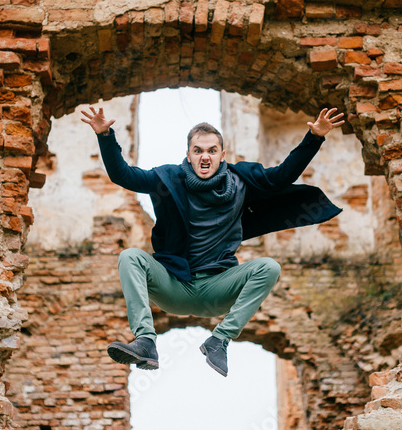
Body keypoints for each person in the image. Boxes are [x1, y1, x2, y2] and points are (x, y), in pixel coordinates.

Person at [81, 105, 346, 376]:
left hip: (218, 288)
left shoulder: (242, 180)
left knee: (269, 267)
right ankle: (146, 342)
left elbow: (282, 176)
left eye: (211, 150)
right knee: (130, 256)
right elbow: (123, 175)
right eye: (198, 151)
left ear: (222, 155)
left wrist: (314, 138)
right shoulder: (168, 179)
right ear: (188, 155)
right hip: (175, 285)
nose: (204, 157)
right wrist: (105, 136)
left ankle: (219, 341)